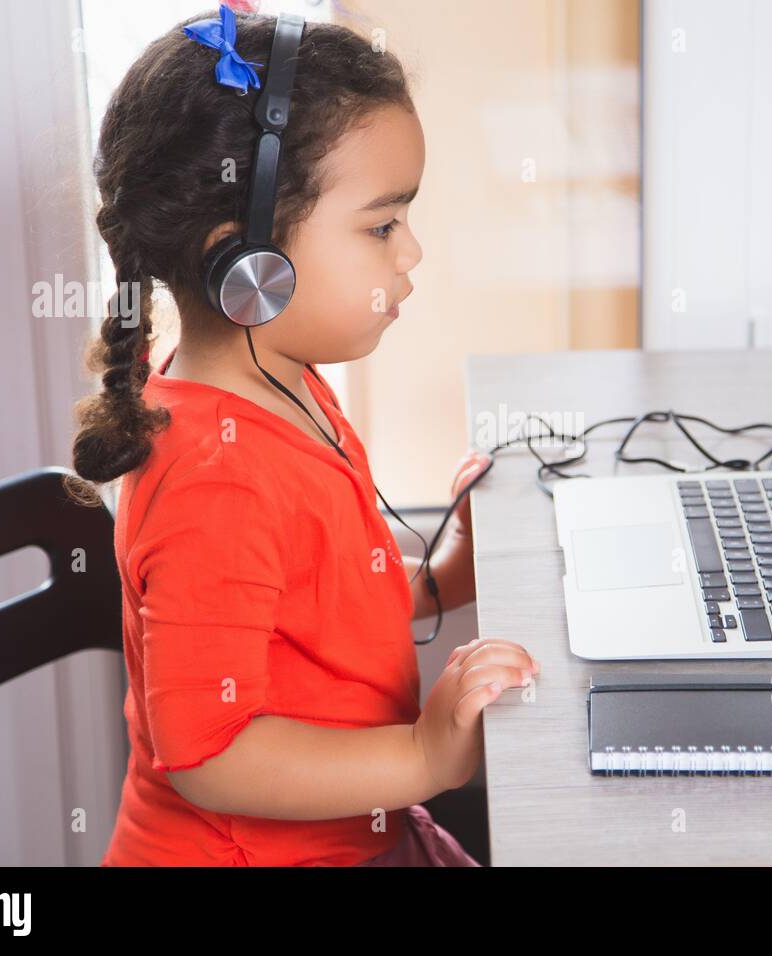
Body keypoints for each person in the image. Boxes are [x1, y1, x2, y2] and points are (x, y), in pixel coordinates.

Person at [66, 5, 536, 866]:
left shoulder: (282, 381)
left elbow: (313, 610)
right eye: (381, 225)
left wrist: (440, 580)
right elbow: (210, 754)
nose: (412, 253)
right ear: (246, 263)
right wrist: (422, 757)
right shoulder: (217, 480)